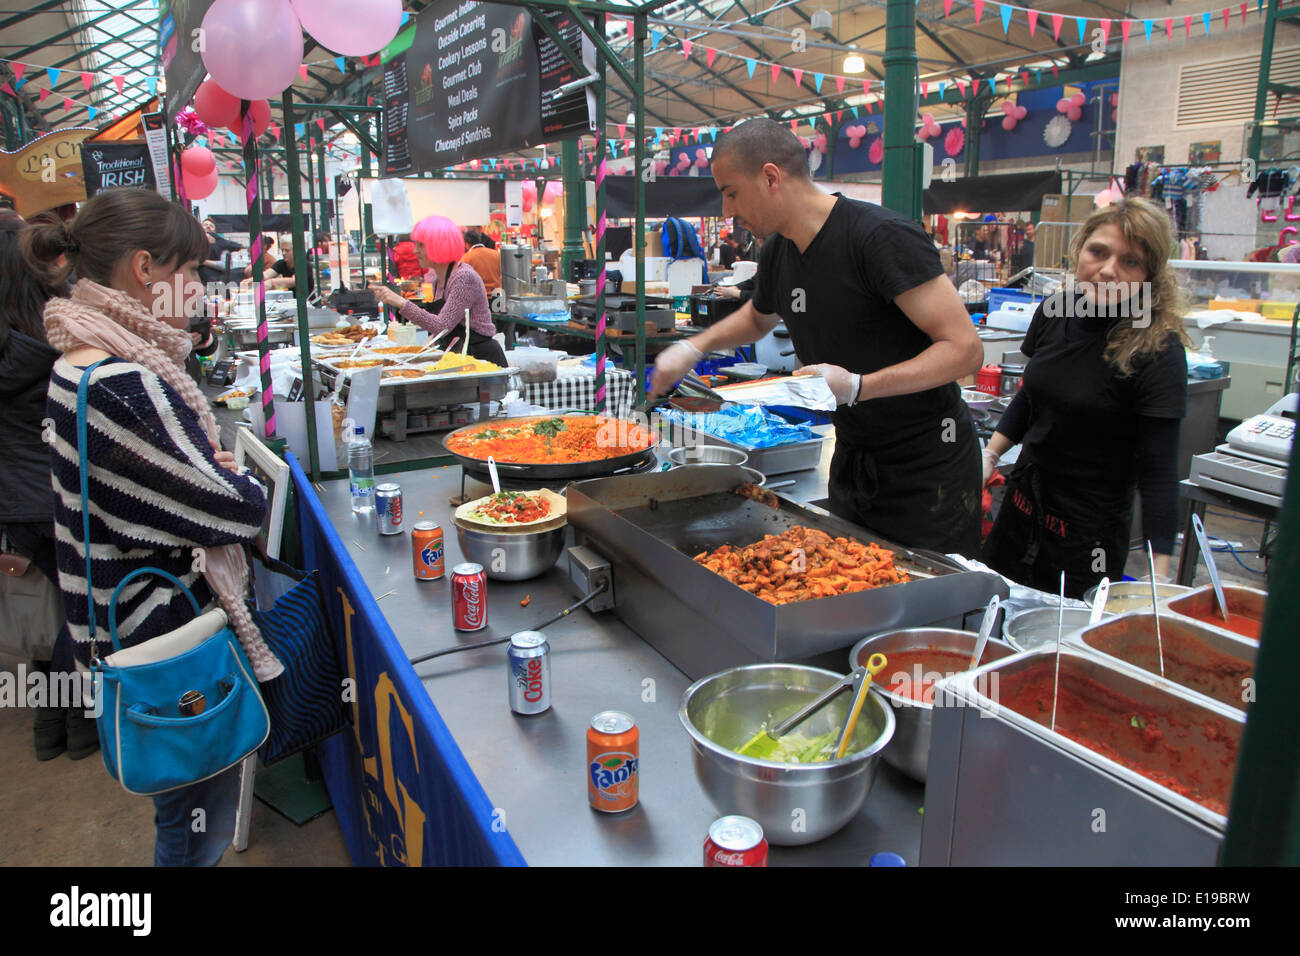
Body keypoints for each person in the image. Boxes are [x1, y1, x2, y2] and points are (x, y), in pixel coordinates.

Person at [25, 187, 282, 866]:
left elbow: (179, 489)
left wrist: (208, 472)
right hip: (165, 649)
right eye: (190, 270)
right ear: (146, 270)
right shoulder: (122, 387)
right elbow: (237, 506)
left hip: (114, 630)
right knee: (194, 829)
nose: (196, 286)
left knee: (184, 818)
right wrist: (232, 478)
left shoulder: (74, 362)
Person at [652, 118, 985, 553]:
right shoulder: (779, 250)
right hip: (854, 457)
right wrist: (692, 347)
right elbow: (758, 316)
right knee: (849, 587)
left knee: (927, 598)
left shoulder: (879, 237)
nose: (727, 211)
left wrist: (858, 386)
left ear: (771, 177)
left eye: (731, 192)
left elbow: (965, 350)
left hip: (926, 468)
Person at [981, 197, 1189, 597]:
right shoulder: (1056, 311)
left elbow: (1159, 469)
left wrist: (1159, 572)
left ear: (1149, 276)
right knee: (993, 617)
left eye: (1130, 262)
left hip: (1086, 536)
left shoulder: (1157, 349)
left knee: (1061, 648)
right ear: (1080, 250)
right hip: (1021, 509)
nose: (1108, 270)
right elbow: (1030, 397)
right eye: (1098, 252)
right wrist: (990, 455)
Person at [0, 213, 92, 761]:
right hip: (53, 494)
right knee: (76, 611)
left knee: (46, 606)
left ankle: (52, 728)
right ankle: (69, 723)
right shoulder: (54, 342)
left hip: (13, 503)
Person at [369, 215, 506, 366]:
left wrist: (401, 302)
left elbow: (441, 326)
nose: (415, 251)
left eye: (421, 245)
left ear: (438, 246)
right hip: (459, 357)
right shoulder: (437, 279)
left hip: (481, 361)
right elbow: (440, 328)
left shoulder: (463, 278)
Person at [198, 217, 241, 288]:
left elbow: (224, 265)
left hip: (216, 282)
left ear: (214, 231)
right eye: (205, 225)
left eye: (211, 226)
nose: (208, 226)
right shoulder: (195, 243)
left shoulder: (222, 245)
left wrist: (204, 261)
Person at [461, 228, 502, 292]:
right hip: (497, 294)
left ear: (466, 244)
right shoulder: (496, 254)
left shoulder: (466, 258)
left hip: (479, 295)